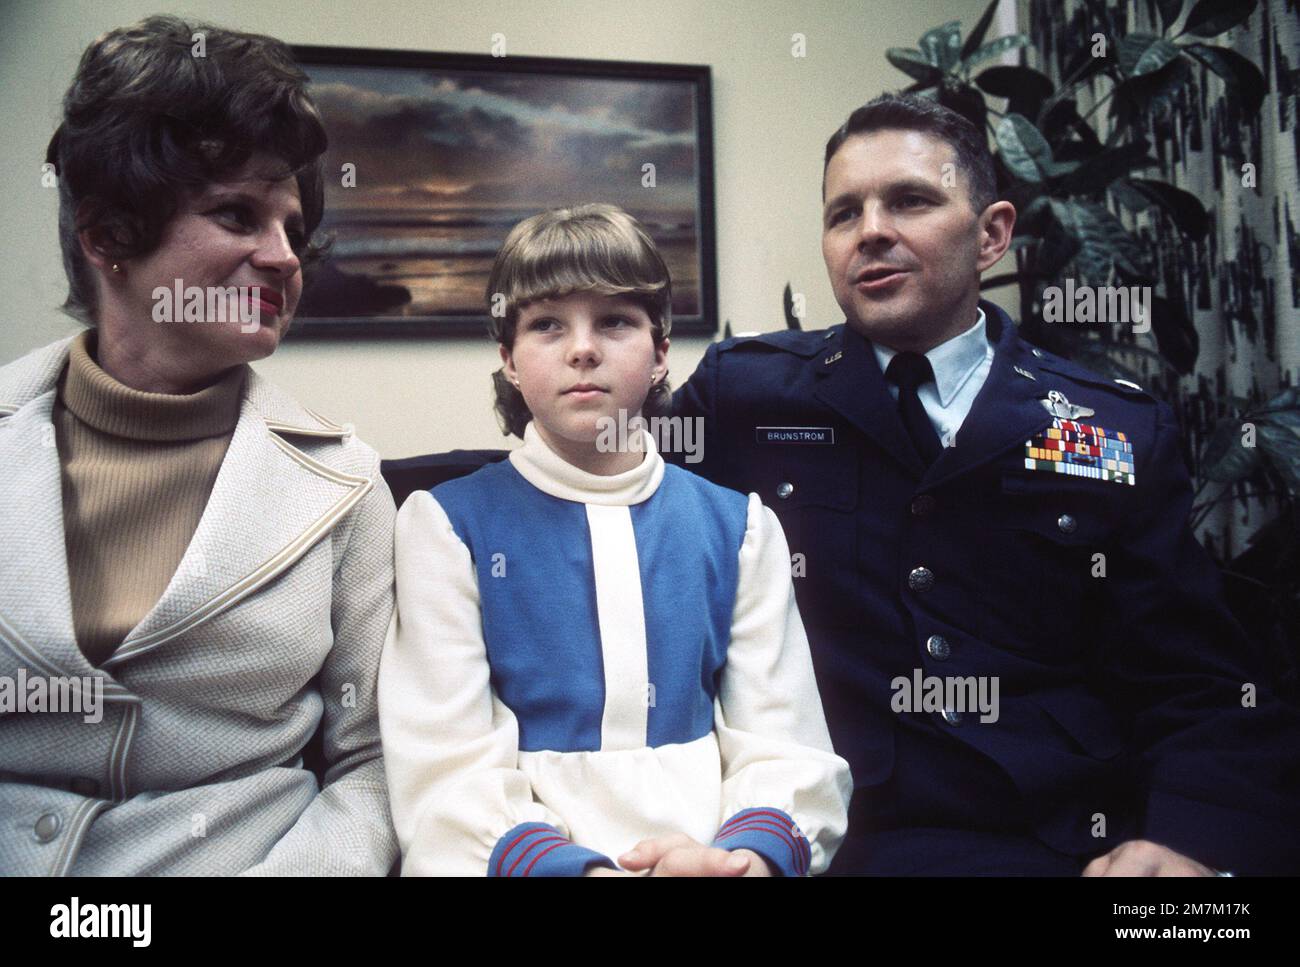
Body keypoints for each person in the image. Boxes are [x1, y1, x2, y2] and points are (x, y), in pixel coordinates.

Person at [671, 93, 1300, 876]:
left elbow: (1195, 680)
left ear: (993, 234)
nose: (871, 230)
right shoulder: (747, 397)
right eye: (844, 213)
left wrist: (1186, 839)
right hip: (812, 838)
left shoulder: (1109, 430)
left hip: (1048, 839)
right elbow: (599, 519)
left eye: (910, 200)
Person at [0, 16, 397, 874]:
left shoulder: (347, 486)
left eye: (292, 228)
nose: (284, 256)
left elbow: (374, 767)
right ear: (107, 236)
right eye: (237, 215)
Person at [378, 204, 851, 876]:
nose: (583, 348)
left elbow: (785, 746)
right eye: (547, 324)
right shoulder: (446, 527)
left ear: (661, 352)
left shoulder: (739, 528)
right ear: (508, 358)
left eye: (615, 321)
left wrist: (738, 860)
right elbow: (445, 775)